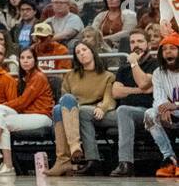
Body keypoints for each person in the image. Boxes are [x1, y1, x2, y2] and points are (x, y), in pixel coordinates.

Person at [0, 47, 53, 175]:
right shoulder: (25, 78)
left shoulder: (38, 76)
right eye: (22, 58)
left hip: (42, 116)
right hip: (29, 115)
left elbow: (23, 102)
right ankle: (7, 166)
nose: (25, 61)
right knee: (1, 120)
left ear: (35, 60)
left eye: (29, 58)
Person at [47, 40, 115, 176]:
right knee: (58, 107)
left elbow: (109, 98)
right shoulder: (70, 76)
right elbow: (64, 98)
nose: (81, 54)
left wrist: (102, 107)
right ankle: (70, 152)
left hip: (95, 110)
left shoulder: (107, 76)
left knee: (64, 108)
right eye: (78, 52)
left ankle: (65, 158)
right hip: (73, 110)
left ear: (92, 51)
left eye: (84, 50)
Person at [107, 30, 157, 176]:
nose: (136, 45)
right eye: (133, 42)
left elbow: (143, 82)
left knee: (123, 110)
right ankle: (91, 161)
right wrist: (139, 90)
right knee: (85, 114)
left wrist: (134, 63)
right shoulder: (123, 68)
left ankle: (125, 163)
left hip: (147, 112)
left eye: (140, 41)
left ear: (148, 44)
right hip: (123, 113)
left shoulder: (155, 64)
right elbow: (116, 92)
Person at [144, 34, 179, 176]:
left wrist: (175, 105)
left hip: (176, 109)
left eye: (172, 48)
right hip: (169, 115)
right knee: (150, 114)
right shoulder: (158, 73)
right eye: (164, 49)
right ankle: (169, 159)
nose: (168, 52)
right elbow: (158, 97)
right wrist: (163, 107)